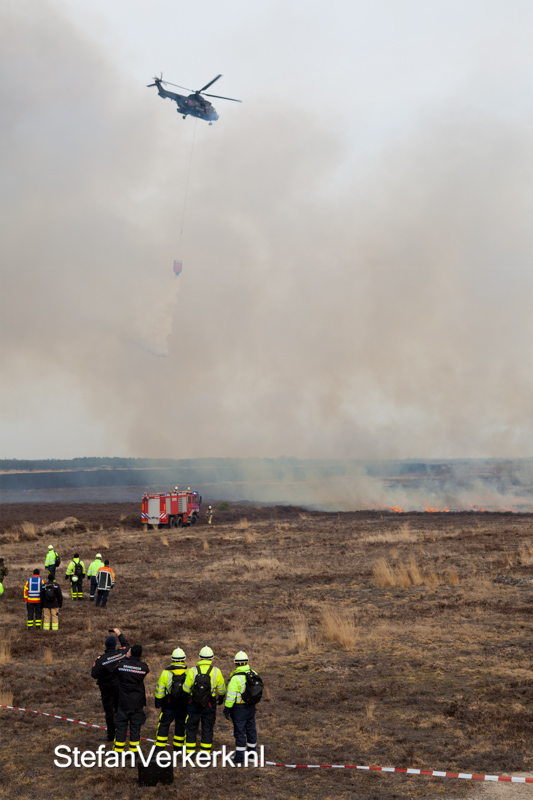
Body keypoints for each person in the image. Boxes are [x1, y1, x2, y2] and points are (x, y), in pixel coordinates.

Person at [183, 645, 226, 756]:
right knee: (207, 729)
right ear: (212, 658)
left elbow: (185, 689)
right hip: (209, 704)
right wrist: (221, 697)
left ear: (199, 657)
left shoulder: (192, 671)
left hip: (193, 703)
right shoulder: (216, 671)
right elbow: (221, 689)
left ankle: (189, 754)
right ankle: (205, 755)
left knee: (191, 729)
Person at [91, 627, 130, 741]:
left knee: (109, 712)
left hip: (107, 689)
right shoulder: (122, 653)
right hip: (119, 687)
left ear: (106, 645)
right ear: (114, 645)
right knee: (119, 710)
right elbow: (127, 645)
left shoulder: (101, 660)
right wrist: (119, 634)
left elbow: (94, 674)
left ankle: (111, 735)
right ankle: (121, 732)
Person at [224, 651, 260, 763]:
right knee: (251, 730)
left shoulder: (235, 678)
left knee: (239, 732)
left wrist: (227, 709)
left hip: (239, 709)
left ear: (236, 663)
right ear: (247, 662)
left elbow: (230, 697)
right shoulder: (253, 673)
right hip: (251, 707)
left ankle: (240, 756)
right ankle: (252, 753)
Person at [113, 644, 150, 754]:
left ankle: (118, 752)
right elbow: (146, 670)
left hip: (123, 702)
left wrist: (126, 657)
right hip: (137, 703)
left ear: (130, 652)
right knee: (135, 729)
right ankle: (134, 753)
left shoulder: (121, 666)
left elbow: (115, 669)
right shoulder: (143, 667)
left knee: (121, 728)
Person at [154, 647, 188, 749]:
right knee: (181, 725)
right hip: (183, 704)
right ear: (184, 659)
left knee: (164, 724)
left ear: (172, 659)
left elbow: (160, 689)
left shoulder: (166, 672)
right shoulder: (189, 672)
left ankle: (159, 748)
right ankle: (178, 748)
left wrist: (158, 703)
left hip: (169, 703)